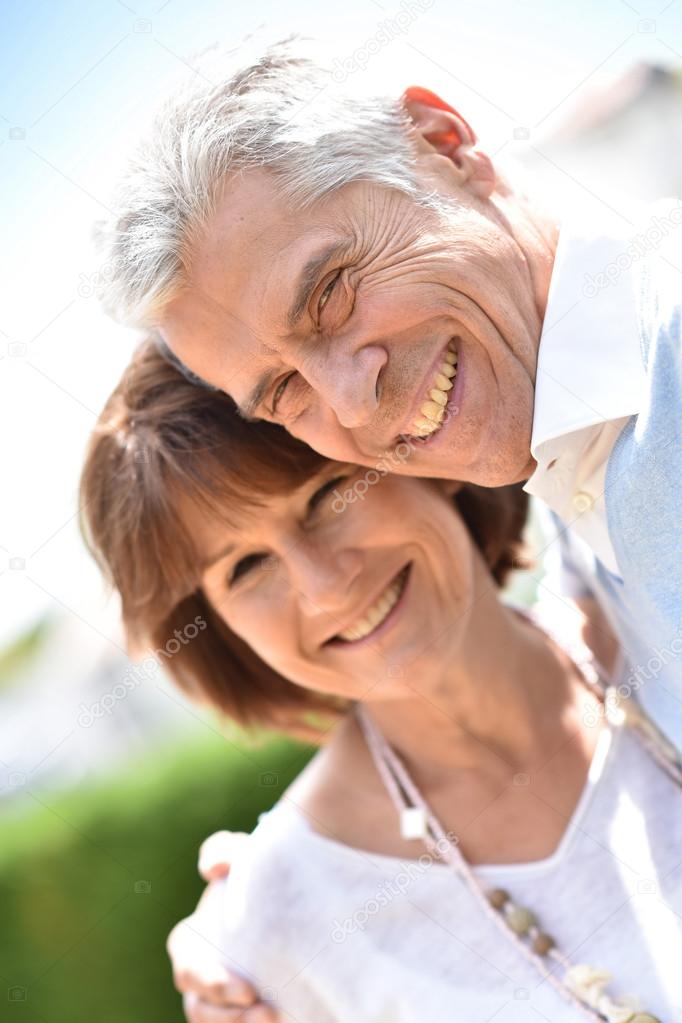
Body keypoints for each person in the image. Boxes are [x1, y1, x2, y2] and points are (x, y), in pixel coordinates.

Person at [95, 39, 682, 757]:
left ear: (443, 144)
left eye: (332, 295)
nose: (350, 401)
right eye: (282, 390)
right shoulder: (571, 480)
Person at [81, 340, 682, 1023]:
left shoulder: (650, 604)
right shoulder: (277, 933)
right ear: (221, 633)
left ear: (419, 448)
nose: (326, 586)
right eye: (246, 567)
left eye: (329, 493)